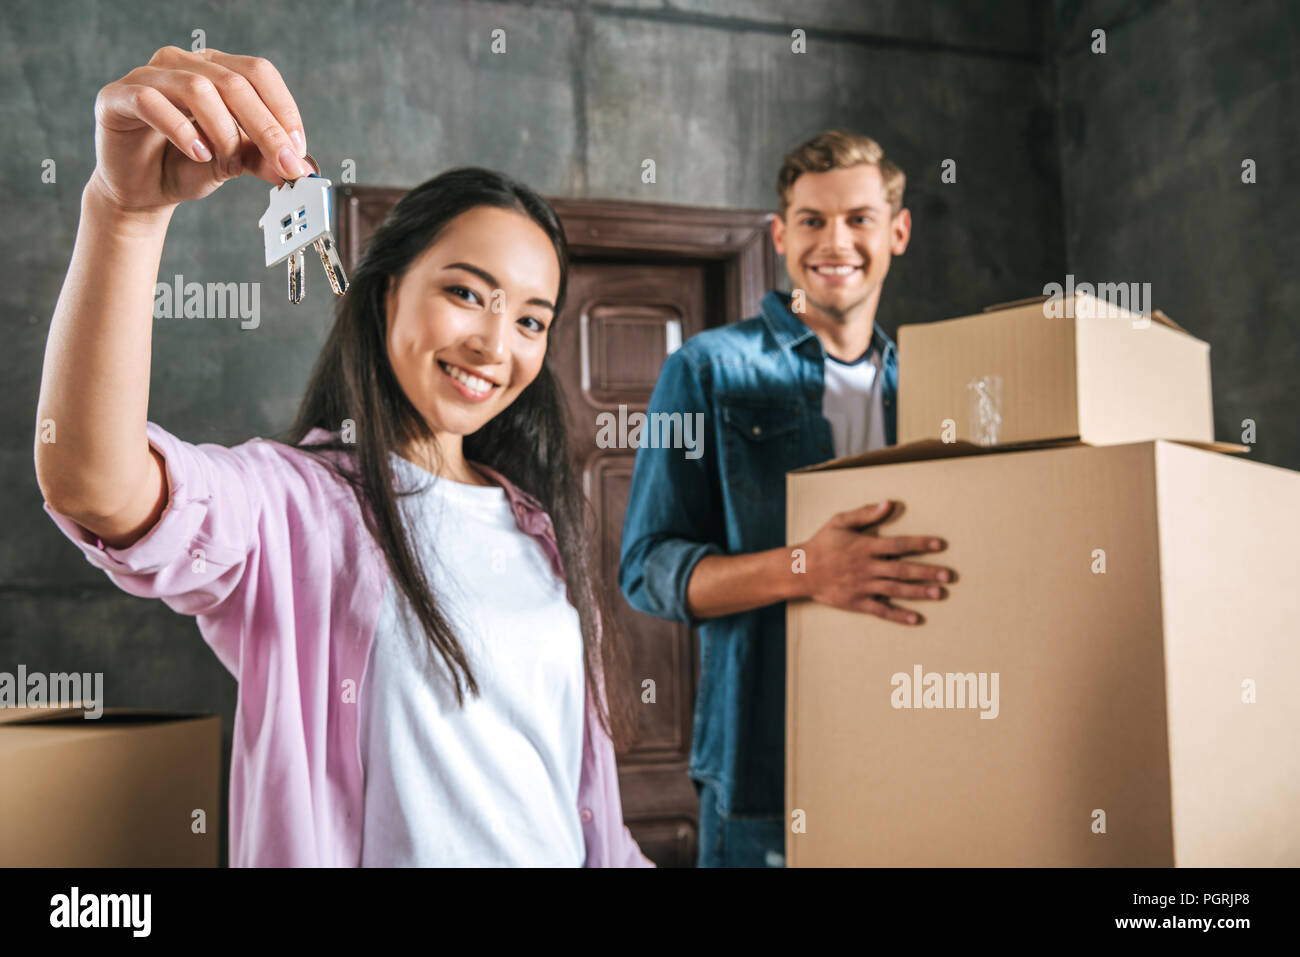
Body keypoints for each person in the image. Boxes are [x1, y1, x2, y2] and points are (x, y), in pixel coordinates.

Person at [34, 45, 650, 868]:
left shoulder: (541, 528)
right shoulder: (299, 504)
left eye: (532, 319)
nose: (496, 343)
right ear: (387, 289)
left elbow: (594, 827)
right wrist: (124, 212)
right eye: (465, 291)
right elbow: (95, 482)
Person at [619, 130, 957, 867]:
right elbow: (646, 568)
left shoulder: (938, 386)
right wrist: (808, 569)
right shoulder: (698, 370)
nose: (836, 240)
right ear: (780, 234)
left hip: (921, 756)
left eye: (859, 218)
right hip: (766, 774)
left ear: (897, 232)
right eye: (812, 219)